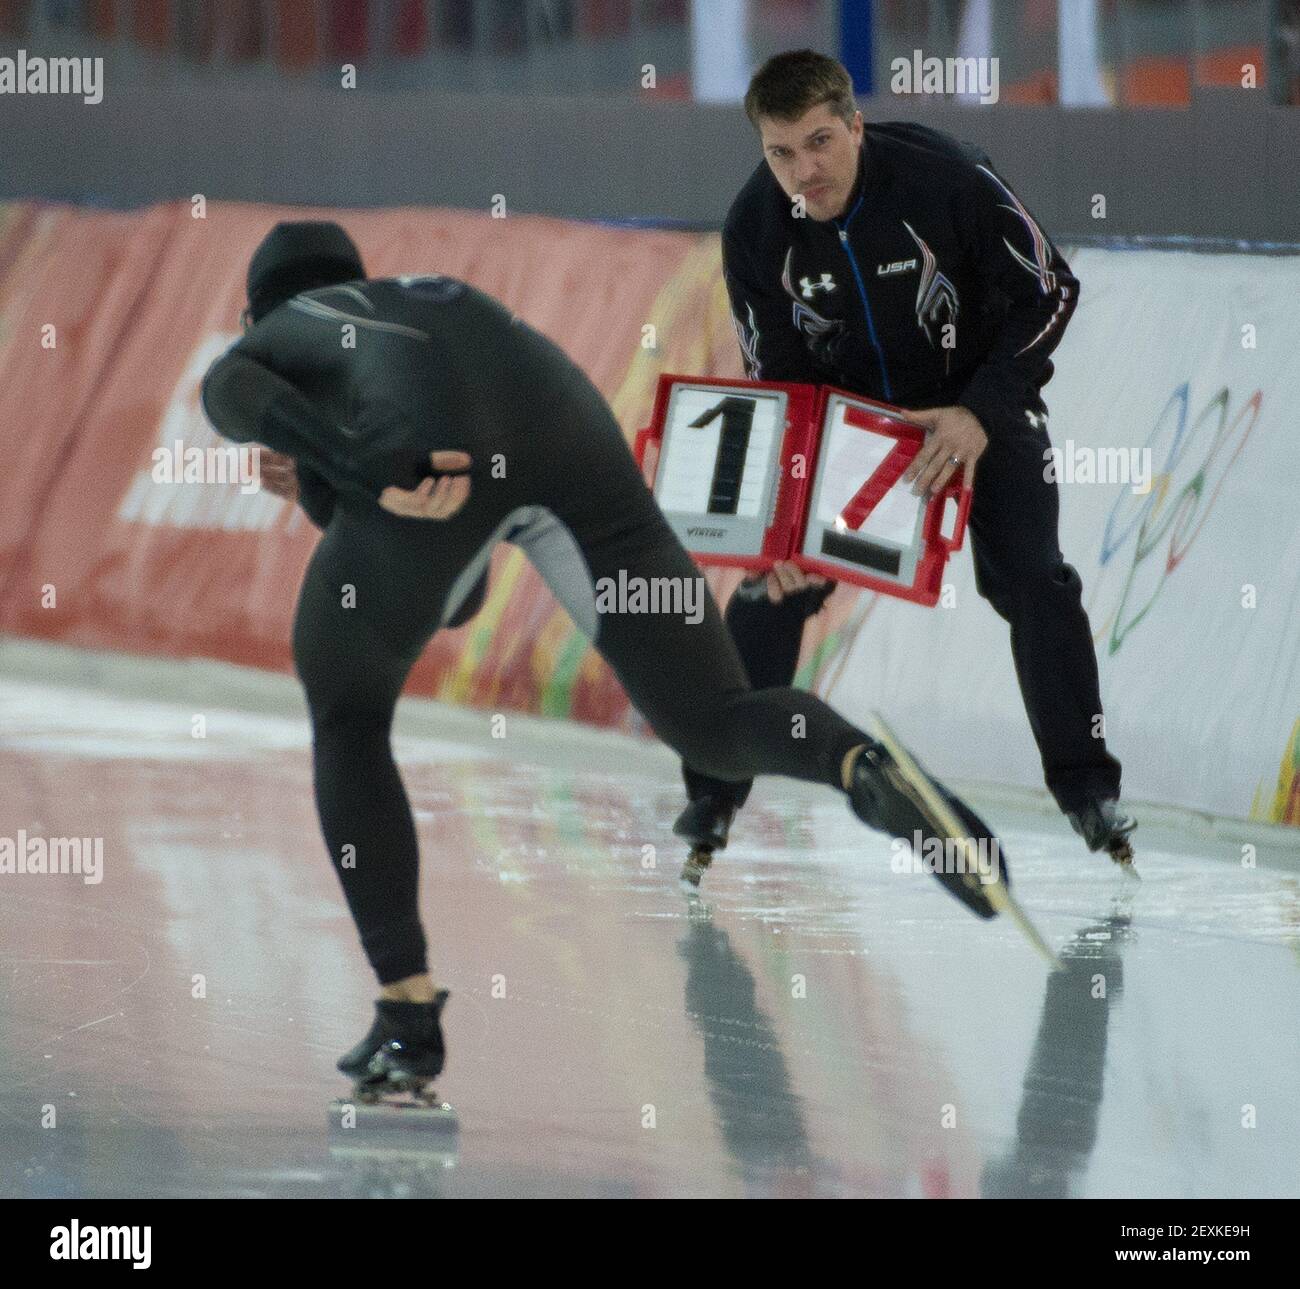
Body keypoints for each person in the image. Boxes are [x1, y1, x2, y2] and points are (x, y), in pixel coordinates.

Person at [201, 220, 1012, 1101]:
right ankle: (863, 765)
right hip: (561, 423)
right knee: (712, 721)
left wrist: (342, 460)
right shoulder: (405, 301)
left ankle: (406, 1012)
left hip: (423, 432)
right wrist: (341, 479)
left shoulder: (292, 326)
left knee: (350, 714)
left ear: (258, 310)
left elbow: (227, 385)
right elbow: (457, 595)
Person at [673, 49, 1135, 878]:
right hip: (853, 429)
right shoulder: (755, 228)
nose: (802, 172)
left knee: (1033, 581)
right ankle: (711, 796)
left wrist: (980, 413)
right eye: (780, 153)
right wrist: (775, 527)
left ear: (854, 123)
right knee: (771, 584)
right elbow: (774, 383)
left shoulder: (944, 176)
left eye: (819, 142)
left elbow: (1050, 289)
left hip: (977, 405)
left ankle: (1089, 791)